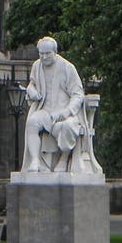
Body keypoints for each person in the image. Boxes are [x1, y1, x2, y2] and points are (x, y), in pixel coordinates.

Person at [22, 36, 85, 173]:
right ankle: (35, 161)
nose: (44, 57)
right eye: (41, 54)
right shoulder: (37, 66)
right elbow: (32, 84)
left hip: (64, 113)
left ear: (55, 52)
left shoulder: (68, 67)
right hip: (45, 111)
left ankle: (63, 159)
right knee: (32, 122)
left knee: (67, 126)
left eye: (47, 54)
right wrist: (31, 91)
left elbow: (78, 94)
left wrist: (67, 111)